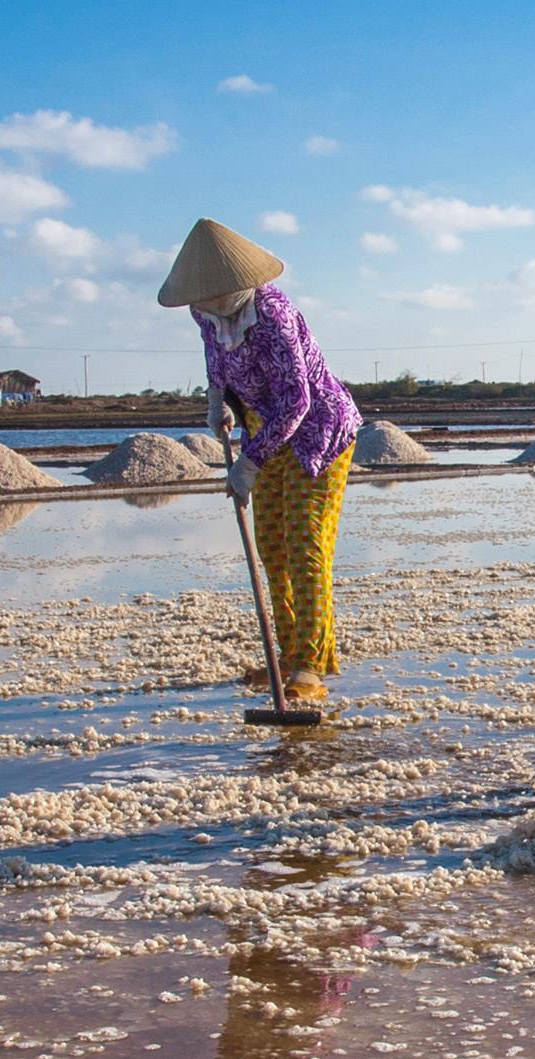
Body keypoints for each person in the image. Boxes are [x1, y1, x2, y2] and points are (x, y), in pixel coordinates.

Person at [158, 219, 363, 706]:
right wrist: (218, 401)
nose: (205, 306)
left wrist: (248, 463)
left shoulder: (273, 313)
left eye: (212, 296)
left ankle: (310, 667)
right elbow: (216, 362)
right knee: (272, 547)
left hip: (317, 432)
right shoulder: (204, 316)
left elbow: (296, 400)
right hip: (260, 430)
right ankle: (288, 657)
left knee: (306, 547)